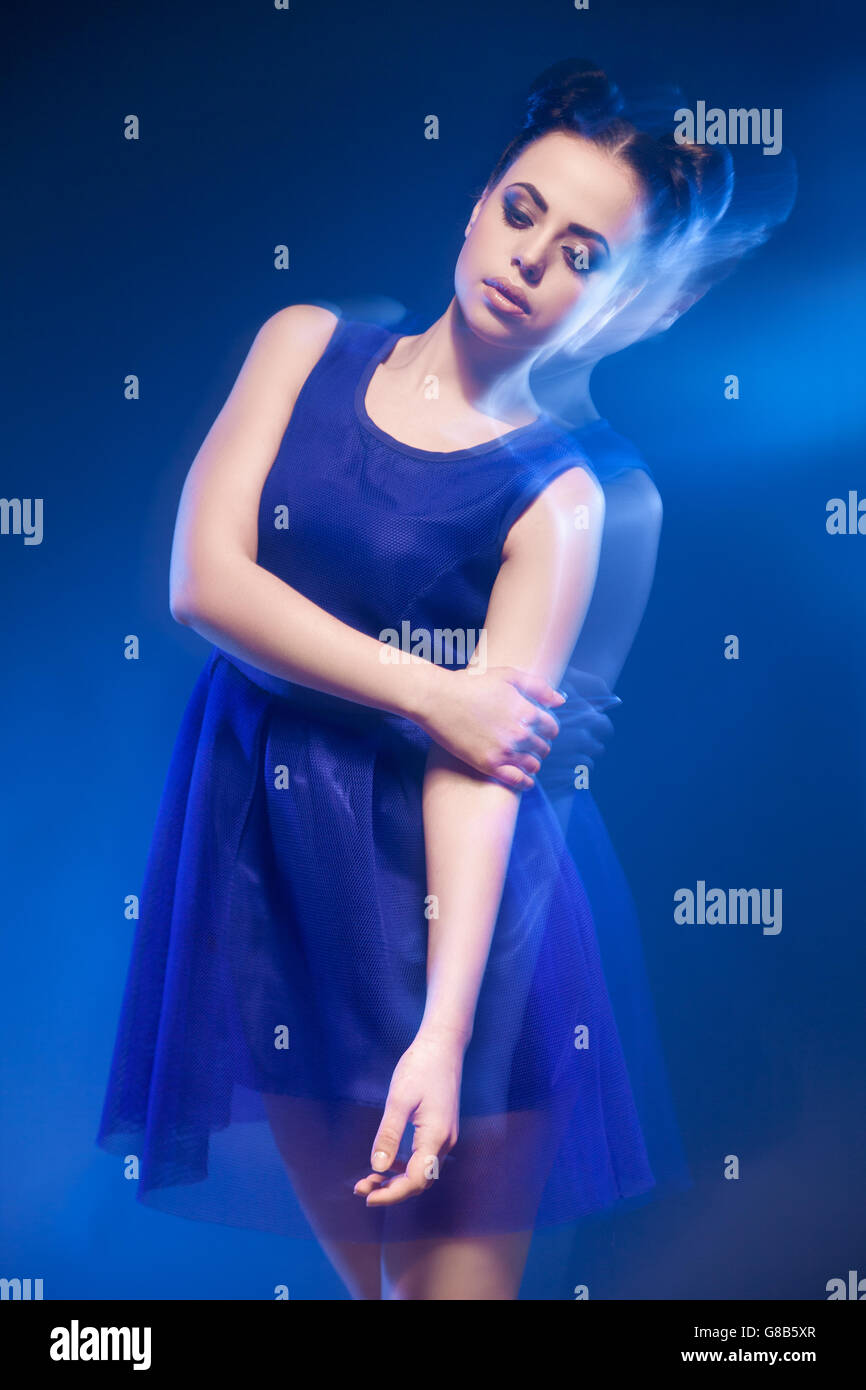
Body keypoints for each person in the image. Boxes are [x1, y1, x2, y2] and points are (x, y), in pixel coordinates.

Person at [96, 57, 784, 1300]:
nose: (528, 257)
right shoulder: (300, 342)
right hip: (269, 881)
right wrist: (430, 690)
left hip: (452, 913)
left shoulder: (564, 497)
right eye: (522, 211)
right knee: (379, 1296)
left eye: (583, 252)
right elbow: (204, 583)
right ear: (476, 204)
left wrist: (444, 1032)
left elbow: (484, 775)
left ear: (624, 300)